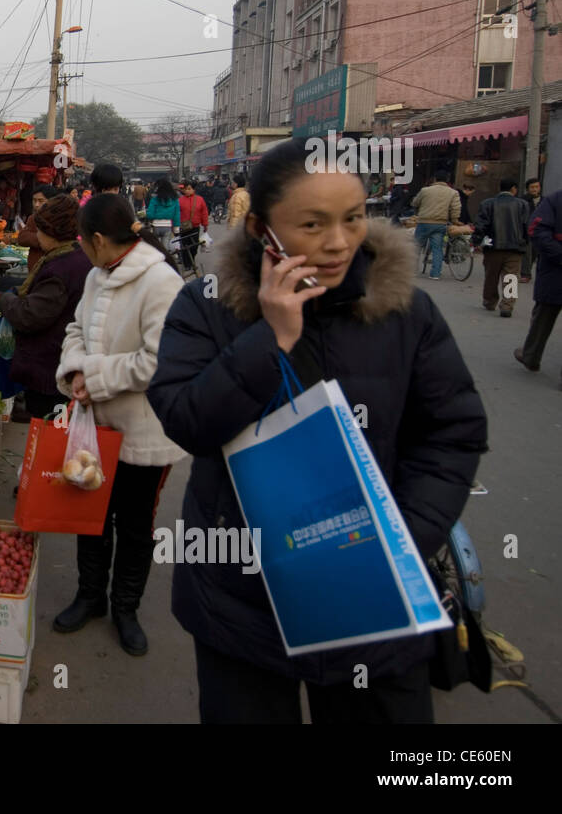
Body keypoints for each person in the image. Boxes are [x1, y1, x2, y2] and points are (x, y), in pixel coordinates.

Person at [146, 137, 487, 723]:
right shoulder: (207, 306)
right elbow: (187, 421)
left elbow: (451, 434)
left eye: (353, 219)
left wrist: (393, 543)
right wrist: (269, 338)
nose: (337, 243)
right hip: (241, 600)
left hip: (374, 600)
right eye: (312, 224)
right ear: (260, 228)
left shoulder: (405, 309)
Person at [52, 194, 186, 656]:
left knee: (133, 524)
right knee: (89, 515)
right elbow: (75, 330)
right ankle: (90, 596)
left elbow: (157, 361)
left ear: (96, 240)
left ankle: (125, 607)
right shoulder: (95, 276)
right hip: (95, 423)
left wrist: (96, 375)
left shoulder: (160, 281)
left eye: (82, 242)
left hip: (143, 430)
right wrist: (74, 371)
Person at [0, 195, 91, 419]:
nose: (38, 236)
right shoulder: (77, 257)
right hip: (60, 363)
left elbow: (30, 315)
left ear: (52, 232)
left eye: (40, 230)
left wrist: (0, 300)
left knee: (52, 430)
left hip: (51, 370)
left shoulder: (60, 268)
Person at [515, 186, 562, 386]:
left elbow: (536, 229)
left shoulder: (553, 199)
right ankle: (531, 356)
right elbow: (536, 229)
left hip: (554, 269)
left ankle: (530, 356)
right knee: (543, 316)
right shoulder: (554, 200)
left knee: (542, 317)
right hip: (555, 272)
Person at [476, 178, 531, 317]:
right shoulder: (523, 205)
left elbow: (481, 225)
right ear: (514, 189)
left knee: (491, 276)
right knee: (511, 277)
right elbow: (527, 226)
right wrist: (525, 241)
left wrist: (476, 241)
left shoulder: (487, 204)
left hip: (492, 247)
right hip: (515, 248)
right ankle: (507, 306)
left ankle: (490, 301)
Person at [411, 171, 461, 279]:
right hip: (440, 223)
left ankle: (412, 271)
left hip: (424, 222)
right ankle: (435, 274)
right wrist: (455, 220)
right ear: (447, 180)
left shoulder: (425, 190)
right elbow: (456, 208)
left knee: (416, 246)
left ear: (435, 179)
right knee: (437, 249)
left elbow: (415, 203)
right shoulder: (453, 192)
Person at [16, 184, 64, 272]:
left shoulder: (60, 219)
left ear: (51, 201)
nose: (36, 205)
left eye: (41, 201)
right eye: (34, 201)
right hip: (34, 267)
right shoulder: (33, 218)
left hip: (53, 266)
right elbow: (22, 238)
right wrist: (46, 239)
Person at [177, 180, 210, 272]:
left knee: (194, 246)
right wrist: (175, 225)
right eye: (186, 189)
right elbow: (176, 213)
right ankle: (187, 264)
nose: (187, 191)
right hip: (183, 227)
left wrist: (205, 224)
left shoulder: (200, 200)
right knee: (184, 246)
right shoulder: (180, 200)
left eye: (189, 189)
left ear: (193, 190)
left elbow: (204, 212)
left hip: (195, 227)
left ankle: (191, 261)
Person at [145, 177, 180, 247]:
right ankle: (165, 257)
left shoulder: (154, 199)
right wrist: (176, 229)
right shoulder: (174, 199)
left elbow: (150, 214)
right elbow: (176, 215)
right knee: (165, 247)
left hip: (156, 226)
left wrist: (150, 220)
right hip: (168, 226)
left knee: (156, 247)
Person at [522, 177, 543, 282]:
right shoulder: (523, 200)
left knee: (536, 253)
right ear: (527, 189)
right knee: (527, 252)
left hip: (540, 231)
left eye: (537, 187)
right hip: (526, 231)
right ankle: (525, 274)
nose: (535, 189)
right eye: (532, 187)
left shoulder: (544, 200)